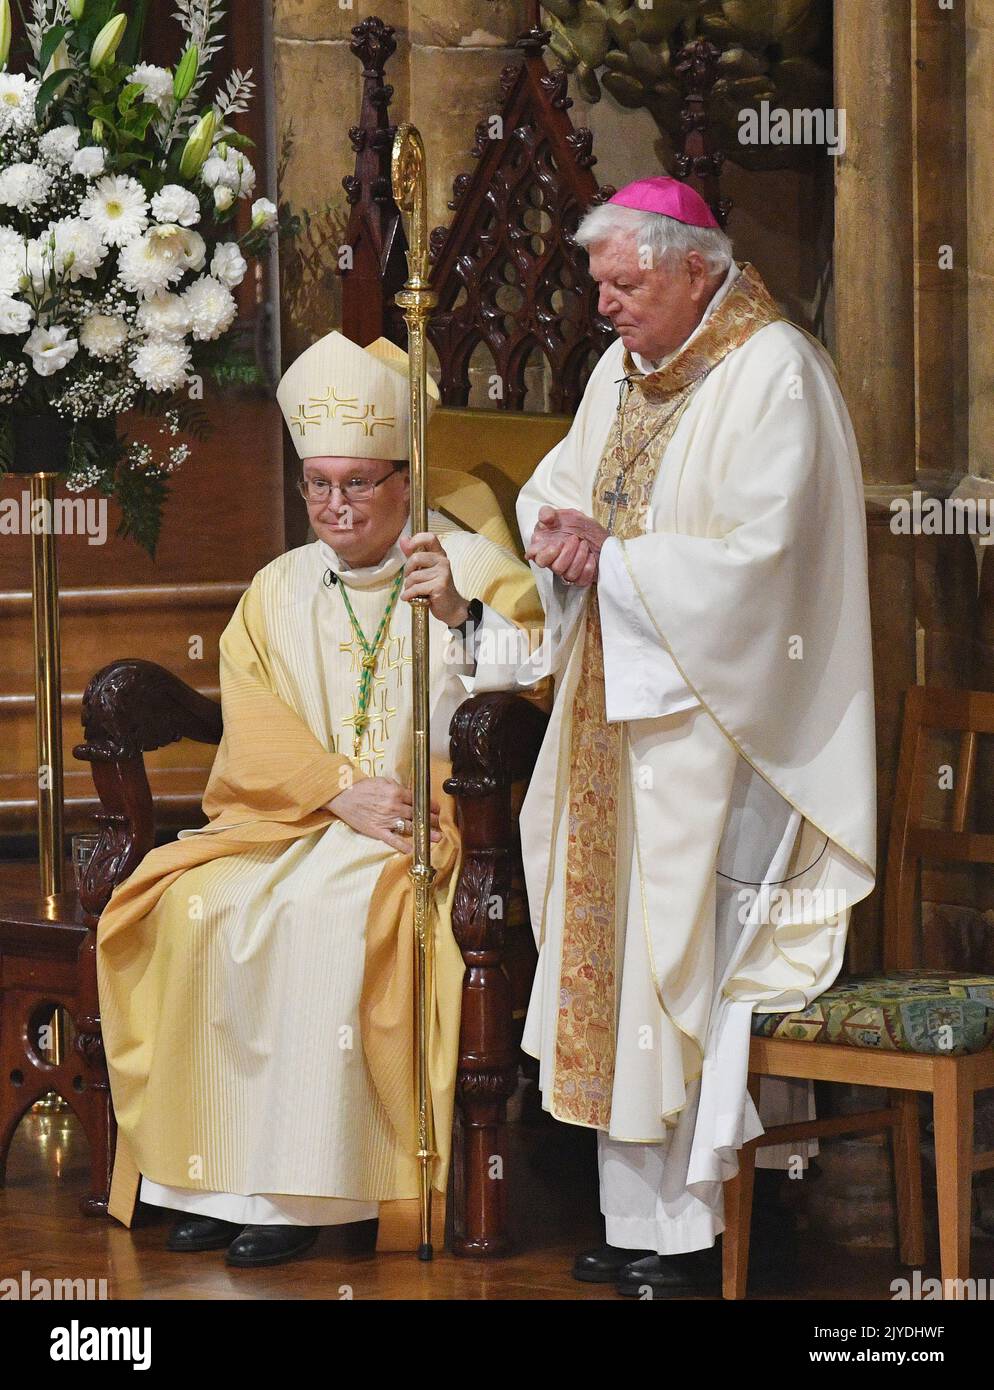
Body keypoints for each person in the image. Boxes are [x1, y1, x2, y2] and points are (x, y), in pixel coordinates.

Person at [95, 331, 548, 1267]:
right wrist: (336, 792)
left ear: (403, 480)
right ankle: (212, 1180)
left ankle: (310, 1196)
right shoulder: (278, 587)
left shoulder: (473, 567)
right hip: (296, 815)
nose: (334, 507)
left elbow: (541, 692)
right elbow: (251, 716)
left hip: (432, 824)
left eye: (357, 483)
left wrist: (462, 618)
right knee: (192, 902)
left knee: (327, 915)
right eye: (318, 486)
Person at [509, 176, 877, 1296]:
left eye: (624, 284)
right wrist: (557, 532)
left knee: (691, 965)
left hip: (726, 731)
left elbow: (769, 568)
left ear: (693, 266)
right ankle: (638, 1222)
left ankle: (700, 1229)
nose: (606, 308)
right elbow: (556, 488)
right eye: (599, 286)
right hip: (615, 720)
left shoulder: (776, 373)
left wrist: (613, 563)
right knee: (619, 965)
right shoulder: (622, 370)